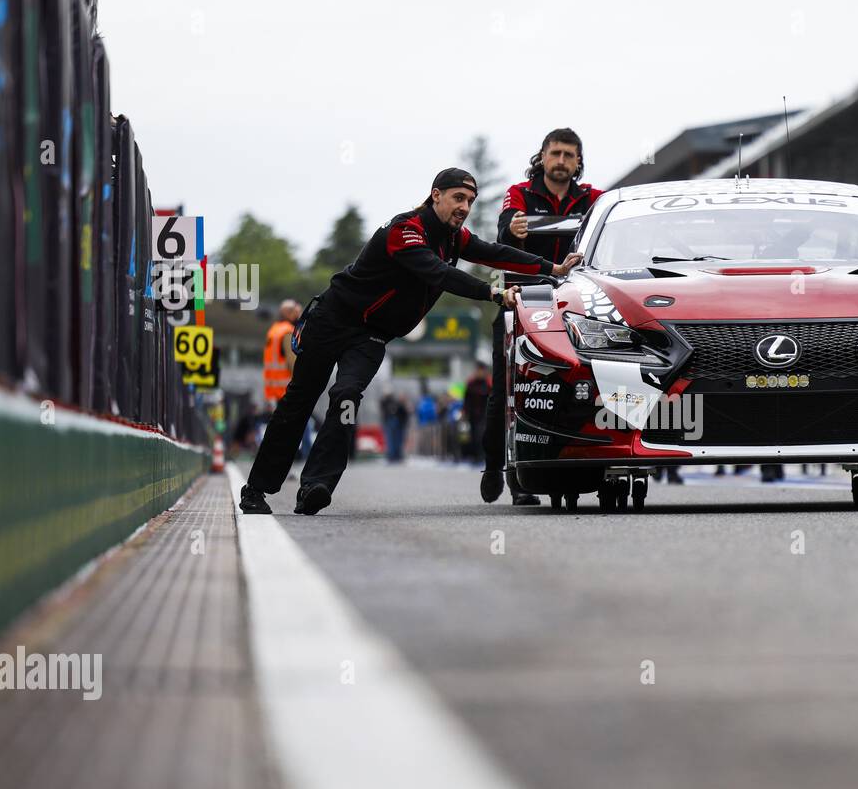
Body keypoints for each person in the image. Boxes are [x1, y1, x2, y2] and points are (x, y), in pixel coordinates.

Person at [239, 167, 580, 515]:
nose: (465, 207)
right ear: (436, 195)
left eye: (471, 201)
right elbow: (440, 274)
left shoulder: (454, 238)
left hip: (371, 334)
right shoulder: (405, 230)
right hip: (332, 321)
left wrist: (551, 268)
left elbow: (493, 252)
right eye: (458, 198)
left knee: (345, 397)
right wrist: (493, 292)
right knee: (299, 400)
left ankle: (316, 485)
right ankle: (256, 489)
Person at [482, 128, 604, 505]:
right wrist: (512, 229)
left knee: (579, 383)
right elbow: (502, 235)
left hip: (578, 306)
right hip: (522, 301)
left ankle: (584, 461)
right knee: (508, 388)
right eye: (556, 154)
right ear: (543, 156)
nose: (562, 161)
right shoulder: (519, 193)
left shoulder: (595, 198)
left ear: (578, 161)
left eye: (569, 155)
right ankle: (499, 469)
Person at [262, 299, 301, 408]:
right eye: (297, 313)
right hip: (287, 394)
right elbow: (294, 364)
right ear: (289, 314)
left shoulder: (273, 331)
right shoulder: (288, 332)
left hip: (272, 395)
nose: (299, 316)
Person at [462, 362, 491, 465]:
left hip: (484, 415)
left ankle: (481, 456)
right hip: (473, 415)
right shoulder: (471, 383)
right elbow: (466, 399)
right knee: (473, 436)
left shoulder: (488, 383)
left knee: (481, 435)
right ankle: (475, 456)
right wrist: (465, 412)